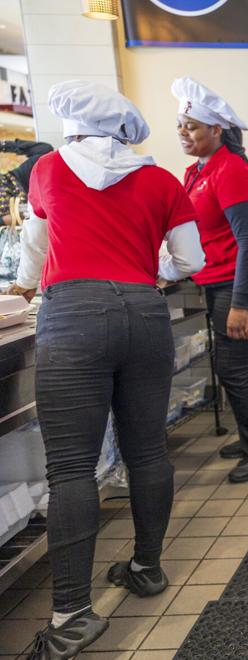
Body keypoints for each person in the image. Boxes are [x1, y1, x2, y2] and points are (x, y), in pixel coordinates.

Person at [21, 80, 205, 659]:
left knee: (71, 467)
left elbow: (35, 245)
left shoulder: (47, 170)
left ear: (73, 128)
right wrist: (145, 269)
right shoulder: (160, 179)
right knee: (147, 450)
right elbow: (191, 261)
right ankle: (146, 568)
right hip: (145, 313)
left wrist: (26, 286)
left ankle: (74, 613)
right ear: (125, 132)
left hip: (72, 316)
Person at [171, 77, 248, 483]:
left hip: (242, 281)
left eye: (192, 126)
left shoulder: (230, 170)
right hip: (221, 279)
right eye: (180, 125)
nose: (183, 132)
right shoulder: (198, 169)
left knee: (233, 366)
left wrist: (240, 303)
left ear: (216, 130)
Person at [0, 140, 53, 288]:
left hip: (27, 254)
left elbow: (44, 149)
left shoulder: (13, 179)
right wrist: (4, 220)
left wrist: (4, 146)